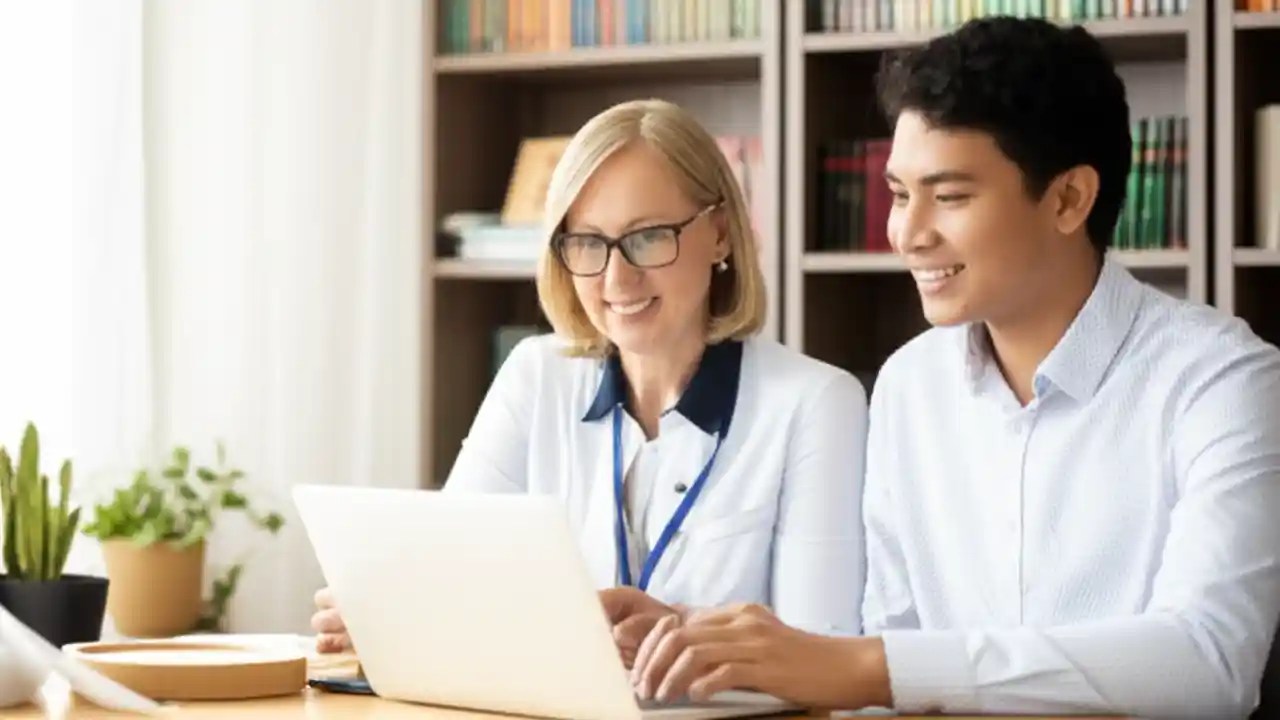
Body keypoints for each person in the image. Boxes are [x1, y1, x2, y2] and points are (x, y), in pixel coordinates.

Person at [628, 16, 1280, 719]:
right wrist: (705, 646)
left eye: (950, 196)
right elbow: (888, 655)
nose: (907, 232)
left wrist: (873, 668)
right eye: (901, 194)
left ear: (1068, 199)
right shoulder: (909, 386)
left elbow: (1208, 663)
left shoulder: (1222, 381)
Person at [311, 98, 868, 666]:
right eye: (587, 243)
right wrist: (395, 613)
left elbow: (824, 653)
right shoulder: (536, 375)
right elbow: (456, 578)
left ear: (721, 233)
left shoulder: (816, 404)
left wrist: (682, 629)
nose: (616, 278)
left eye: (648, 237)